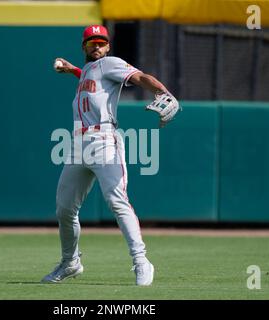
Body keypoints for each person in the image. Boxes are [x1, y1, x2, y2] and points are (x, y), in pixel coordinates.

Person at [41, 25, 177, 286]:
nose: (96, 46)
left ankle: (141, 261)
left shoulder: (110, 63)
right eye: (91, 42)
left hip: (104, 140)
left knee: (117, 201)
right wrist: (73, 71)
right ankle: (70, 263)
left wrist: (163, 92)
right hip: (79, 143)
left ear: (108, 46)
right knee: (65, 208)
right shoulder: (90, 71)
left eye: (101, 42)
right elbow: (94, 83)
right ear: (84, 46)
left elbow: (139, 77)